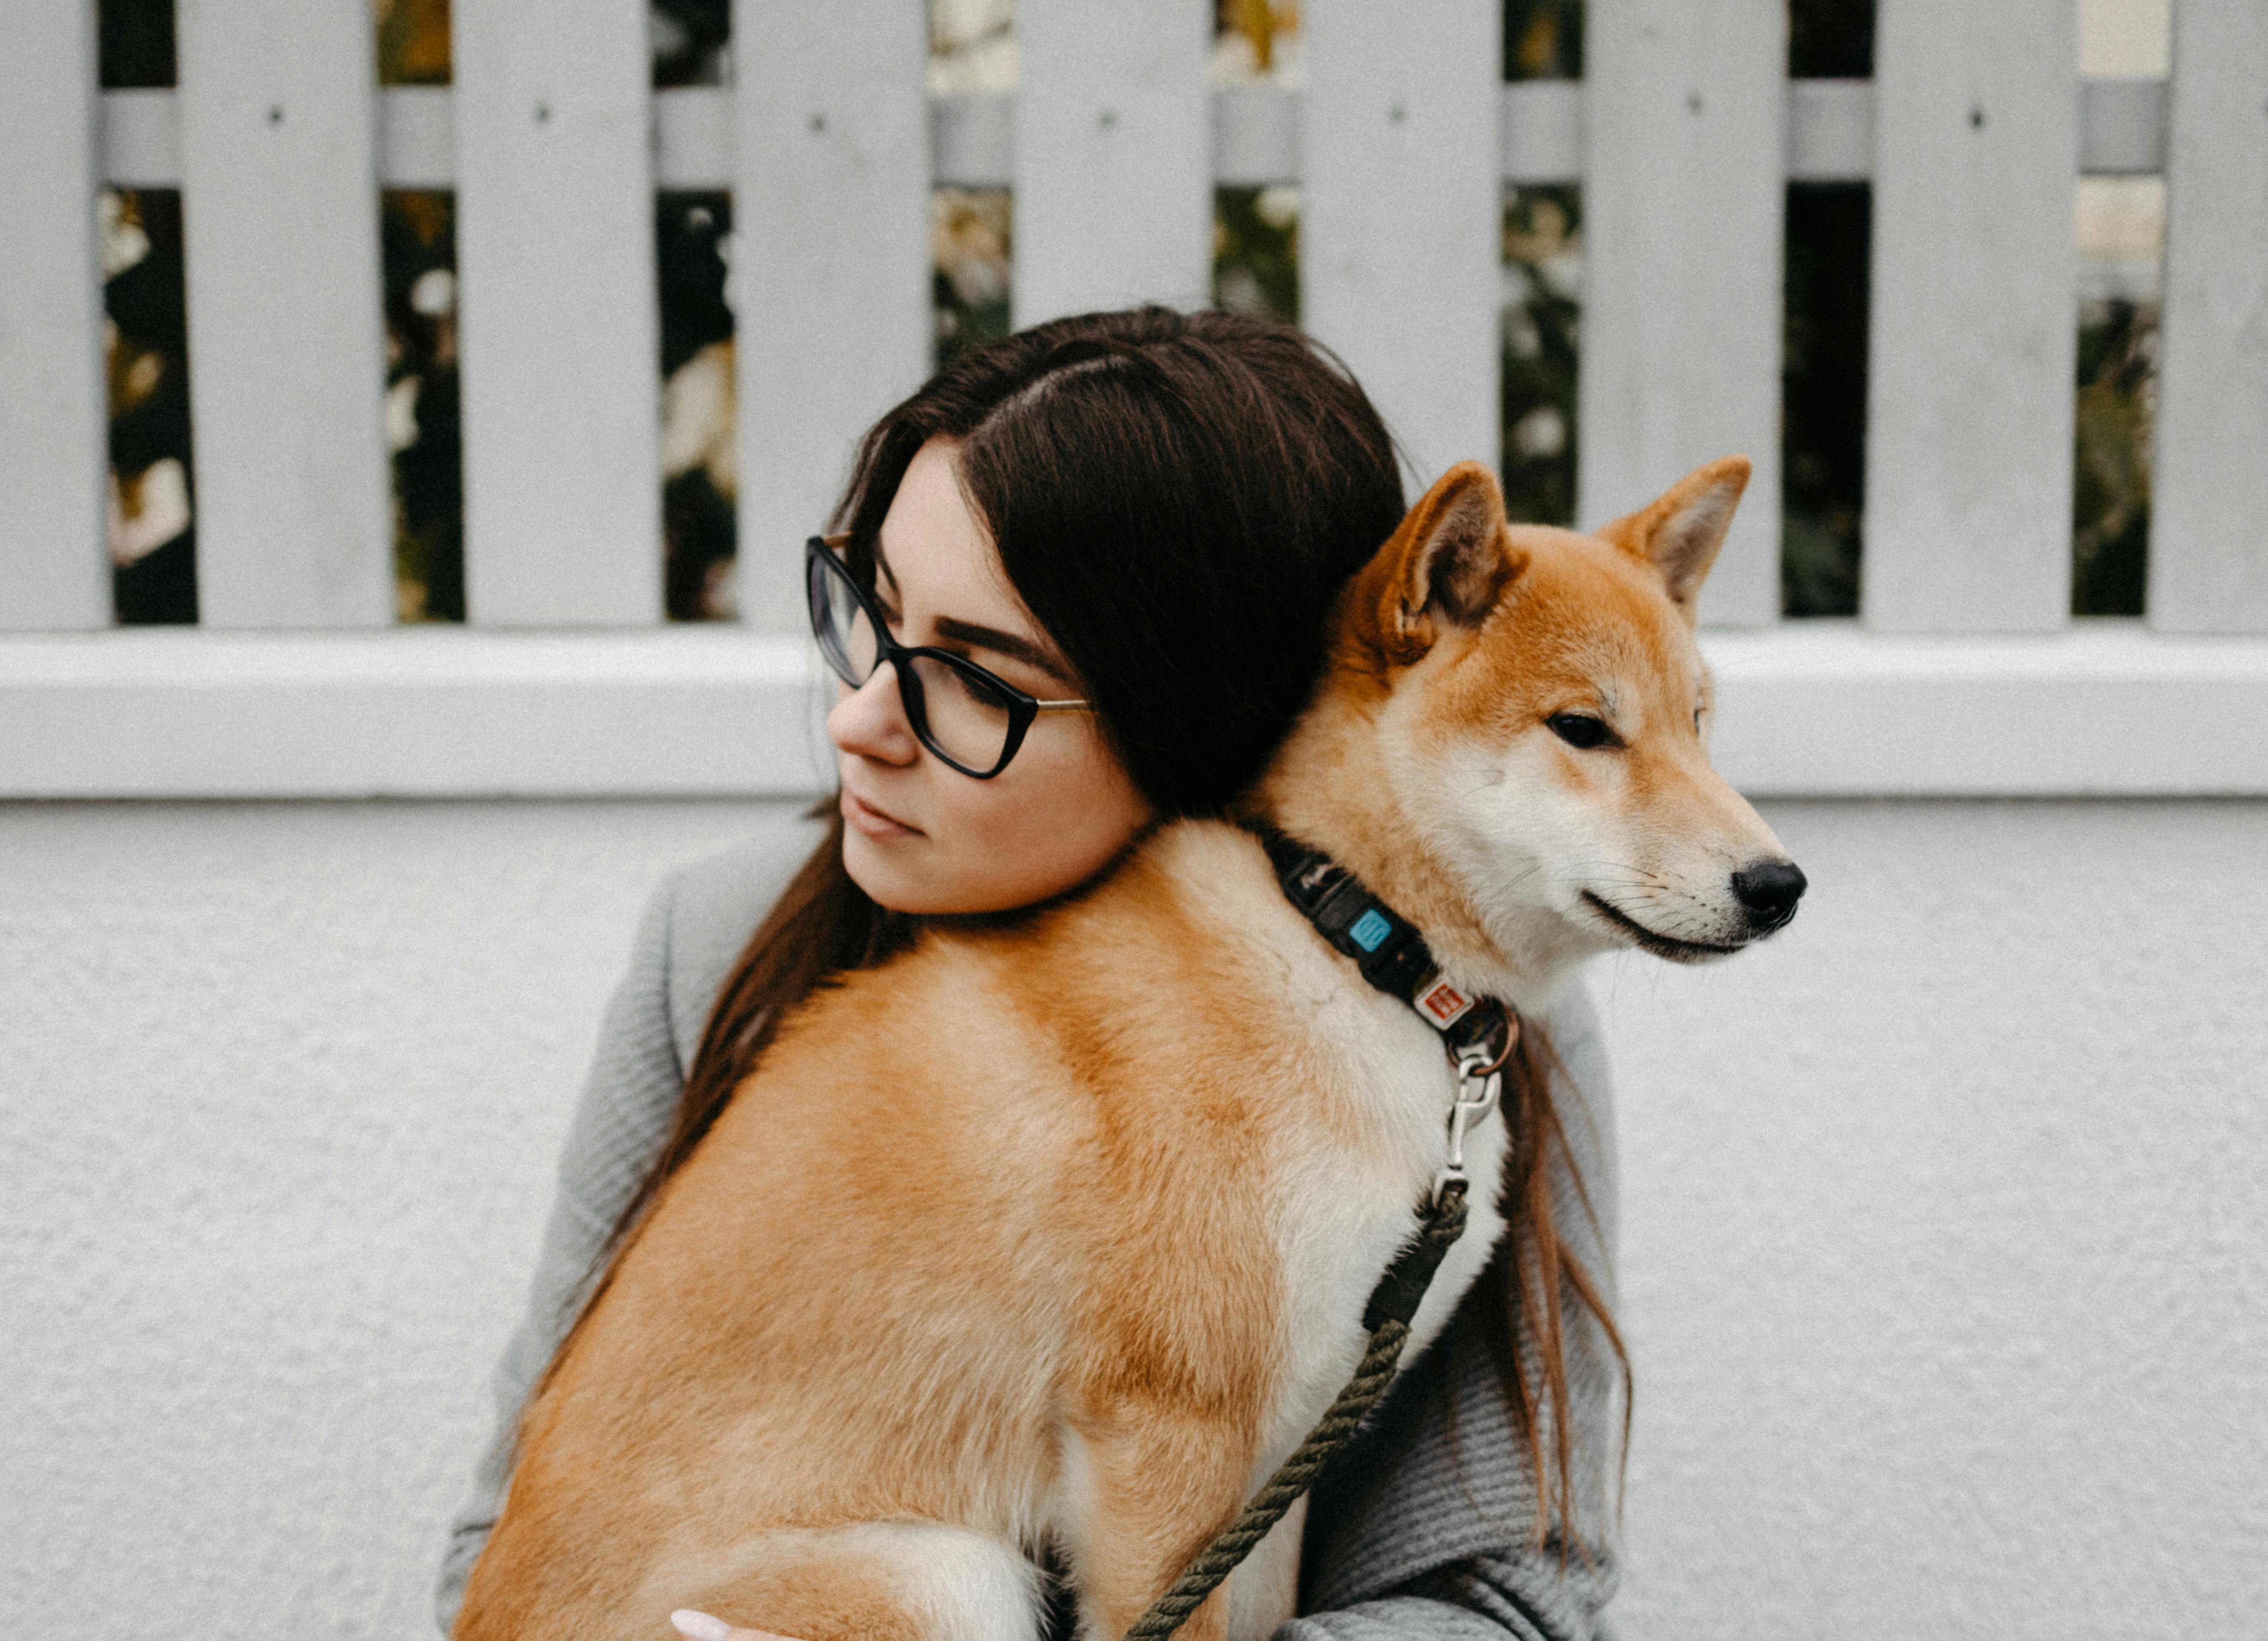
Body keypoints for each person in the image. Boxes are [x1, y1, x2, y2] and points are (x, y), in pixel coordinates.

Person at [435, 307, 1624, 1641]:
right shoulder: (723, 941)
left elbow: (1503, 1600)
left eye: (977, 679)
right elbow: (507, 1551)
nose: (859, 719)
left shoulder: (1447, 1021)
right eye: (869, 615)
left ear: (1202, 719)